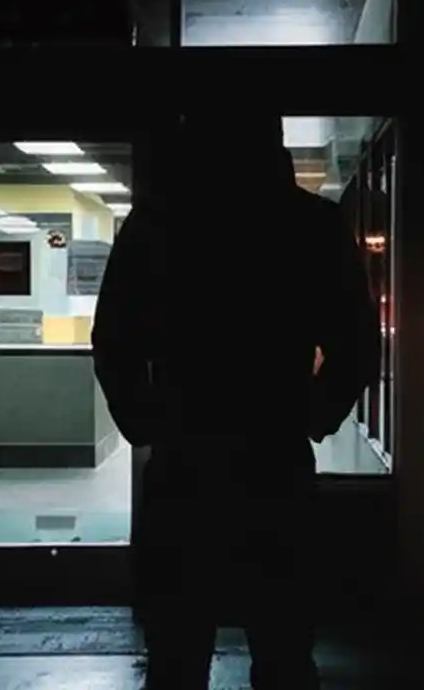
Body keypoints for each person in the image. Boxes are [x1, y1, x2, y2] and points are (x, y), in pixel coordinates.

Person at [92, 115, 380, 689]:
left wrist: (145, 421)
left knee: (176, 650)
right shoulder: (310, 224)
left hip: (184, 458)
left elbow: (114, 340)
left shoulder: (158, 222)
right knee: (283, 647)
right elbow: (355, 345)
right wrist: (314, 415)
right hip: (274, 456)